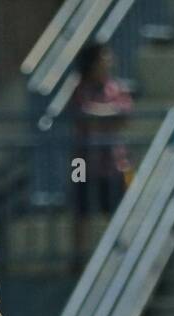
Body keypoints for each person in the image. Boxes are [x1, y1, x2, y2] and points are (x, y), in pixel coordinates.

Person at [71, 42, 134, 264]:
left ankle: (120, 257)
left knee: (115, 210)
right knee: (82, 212)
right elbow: (84, 113)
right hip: (84, 164)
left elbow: (124, 113)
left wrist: (103, 115)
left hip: (112, 163)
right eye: (103, 58)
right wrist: (109, 115)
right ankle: (78, 259)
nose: (107, 62)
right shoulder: (80, 89)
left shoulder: (114, 88)